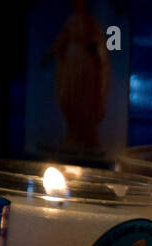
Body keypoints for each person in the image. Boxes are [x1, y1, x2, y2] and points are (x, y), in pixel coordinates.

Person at [43, 0, 110, 151]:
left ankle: (84, 139)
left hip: (85, 64)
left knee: (83, 100)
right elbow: (61, 40)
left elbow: (100, 42)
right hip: (70, 63)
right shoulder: (71, 20)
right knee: (68, 98)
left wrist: (101, 57)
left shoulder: (91, 22)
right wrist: (49, 54)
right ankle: (72, 136)